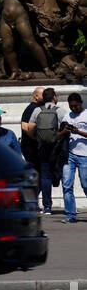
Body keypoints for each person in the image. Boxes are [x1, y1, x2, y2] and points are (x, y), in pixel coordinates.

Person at [23, 88, 64, 215]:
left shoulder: (37, 110)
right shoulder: (60, 111)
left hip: (43, 147)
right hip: (57, 147)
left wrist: (36, 138)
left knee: (45, 176)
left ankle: (47, 207)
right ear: (54, 97)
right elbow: (67, 126)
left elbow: (29, 128)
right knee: (60, 173)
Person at [60, 92, 87, 223]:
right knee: (66, 185)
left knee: (85, 184)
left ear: (80, 103)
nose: (73, 109)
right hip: (69, 154)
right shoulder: (67, 116)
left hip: (84, 155)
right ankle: (70, 215)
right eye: (71, 106)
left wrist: (79, 132)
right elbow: (58, 134)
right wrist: (65, 131)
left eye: (75, 106)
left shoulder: (86, 114)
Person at [19, 86, 45, 168]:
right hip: (31, 149)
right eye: (43, 95)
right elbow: (24, 126)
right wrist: (36, 138)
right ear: (36, 96)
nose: (46, 97)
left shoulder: (39, 108)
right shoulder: (31, 108)